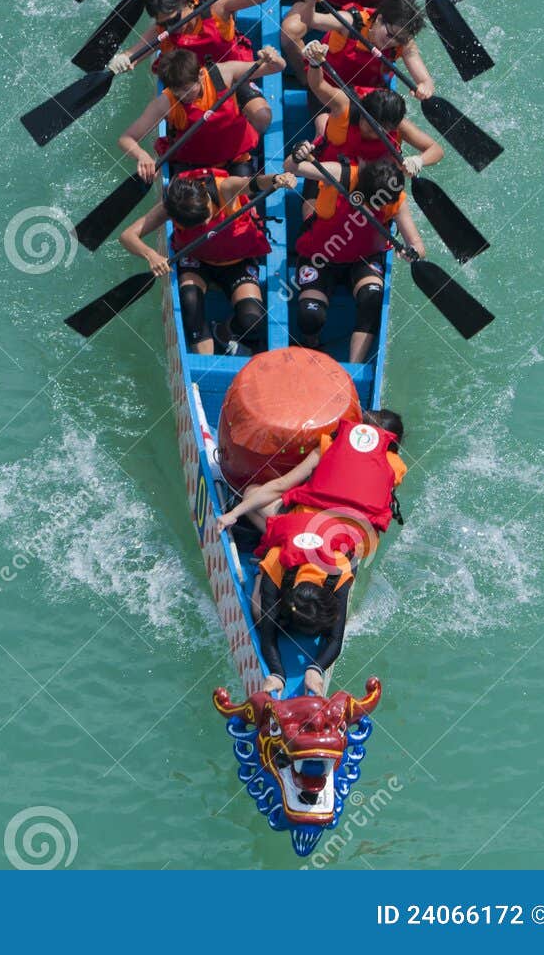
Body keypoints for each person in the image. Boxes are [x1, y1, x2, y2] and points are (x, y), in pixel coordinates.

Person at [218, 408, 407, 694]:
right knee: (265, 602)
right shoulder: (394, 465)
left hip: (304, 529)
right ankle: (274, 553)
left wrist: (234, 514)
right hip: (346, 544)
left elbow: (280, 486)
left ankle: (268, 546)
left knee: (252, 493)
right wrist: (312, 671)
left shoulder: (330, 444)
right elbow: (335, 638)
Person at [119, 168, 294, 355]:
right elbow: (127, 236)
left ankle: (224, 332)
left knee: (252, 320)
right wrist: (151, 255)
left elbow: (255, 183)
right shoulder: (171, 206)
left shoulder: (225, 187)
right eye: (196, 224)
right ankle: (203, 358)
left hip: (236, 261)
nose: (203, 225)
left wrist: (277, 178)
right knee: (190, 301)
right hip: (197, 260)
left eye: (205, 217)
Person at [287, 153, 423, 362]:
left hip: (364, 260)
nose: (380, 207)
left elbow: (418, 245)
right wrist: (298, 155)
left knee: (372, 299)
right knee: (310, 316)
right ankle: (311, 342)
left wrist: (411, 251)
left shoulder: (394, 196)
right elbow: (291, 167)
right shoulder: (340, 174)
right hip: (319, 257)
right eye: (376, 203)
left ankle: (353, 367)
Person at [116, 46, 285, 182]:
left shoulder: (223, 73)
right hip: (195, 166)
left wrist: (273, 58)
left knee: (240, 203)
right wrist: (142, 156)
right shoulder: (165, 103)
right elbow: (126, 138)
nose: (184, 95)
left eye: (188, 88)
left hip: (236, 159)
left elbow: (278, 67)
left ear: (200, 75)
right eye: (177, 91)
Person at [303, 53, 444, 172]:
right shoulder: (344, 105)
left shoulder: (397, 124)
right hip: (329, 169)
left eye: (382, 131)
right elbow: (318, 85)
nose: (375, 134)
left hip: (371, 178)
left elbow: (436, 149)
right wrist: (314, 63)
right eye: (371, 128)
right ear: (363, 115)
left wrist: (418, 161)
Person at [281, 0, 433, 97]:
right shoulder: (350, 21)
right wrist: (311, 2)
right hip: (327, 89)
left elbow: (426, 81)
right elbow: (311, 20)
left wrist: (425, 88)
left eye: (399, 39)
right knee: (323, 125)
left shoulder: (404, 42)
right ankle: (306, 82)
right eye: (390, 34)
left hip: (364, 97)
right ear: (379, 19)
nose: (392, 42)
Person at [128, 0, 265, 70]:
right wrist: (121, 61)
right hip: (192, 89)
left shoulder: (217, 6)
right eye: (164, 23)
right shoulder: (162, 30)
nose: (171, 26)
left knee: (258, 106)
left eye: (174, 19)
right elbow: (131, 57)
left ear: (185, 3)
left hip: (234, 74)